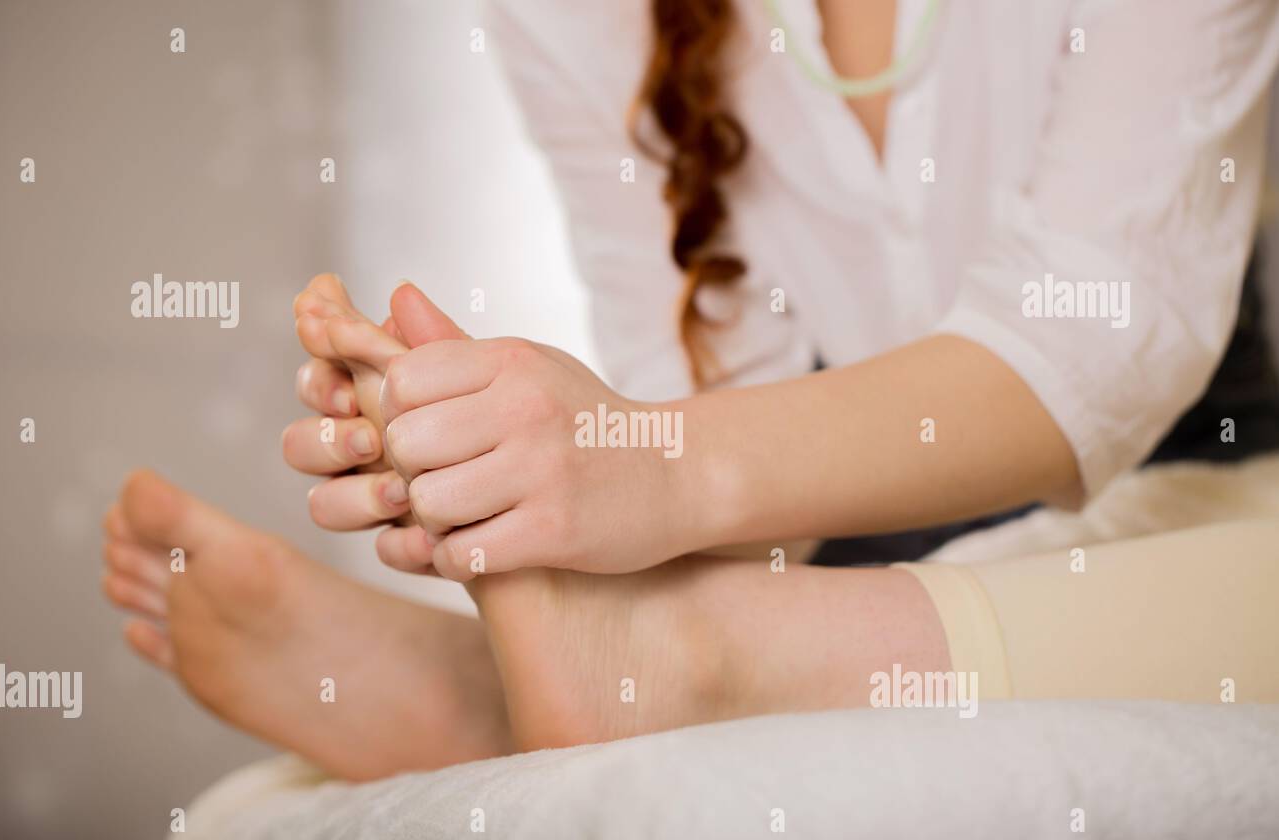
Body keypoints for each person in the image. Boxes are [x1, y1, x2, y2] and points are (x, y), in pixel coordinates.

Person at [103, 0, 1279, 781]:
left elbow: (1106, 322)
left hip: (1209, 439)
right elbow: (707, 372)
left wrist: (652, 461)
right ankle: (657, 658)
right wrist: (595, 496)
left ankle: (568, 687)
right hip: (839, 522)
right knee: (732, 600)